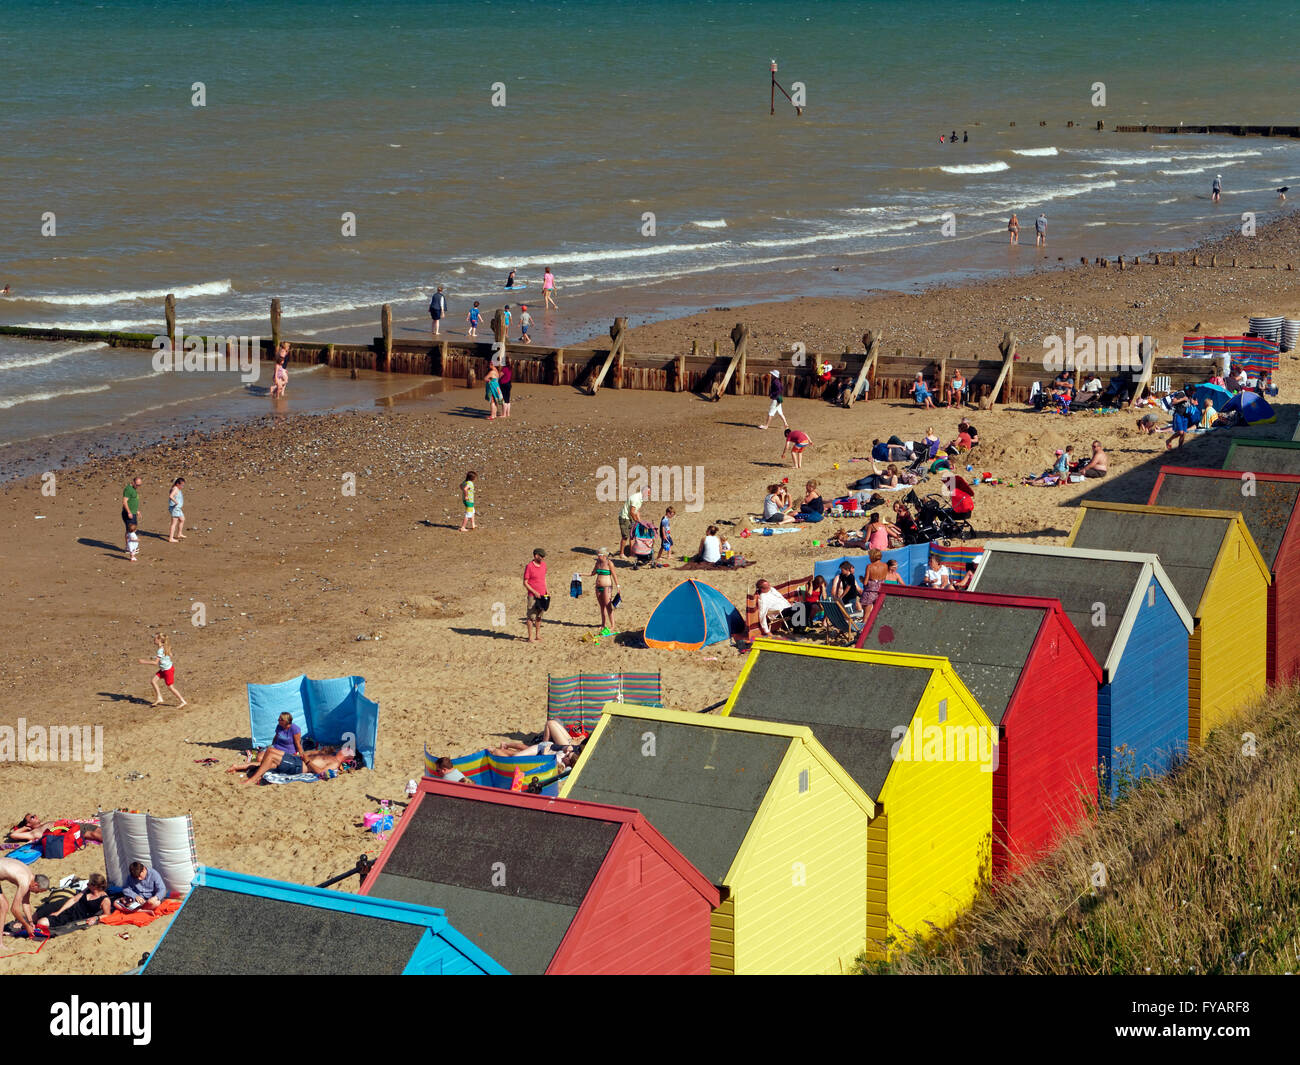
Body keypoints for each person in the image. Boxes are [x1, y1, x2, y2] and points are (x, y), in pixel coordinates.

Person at [34, 873, 111, 931]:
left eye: (89, 883)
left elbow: (107, 914)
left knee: (41, 922)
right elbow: (74, 899)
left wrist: (96, 917)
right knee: (38, 914)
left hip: (75, 917)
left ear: (95, 886)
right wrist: (58, 912)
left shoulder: (104, 900)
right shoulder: (87, 890)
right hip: (70, 908)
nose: (87, 885)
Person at [0, 858, 50, 938]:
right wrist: (26, 925)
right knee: (4, 906)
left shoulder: (29, 875)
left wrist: (30, 922)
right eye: (38, 891)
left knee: (4, 905)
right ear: (36, 885)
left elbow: (26, 903)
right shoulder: (25, 882)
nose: (36, 893)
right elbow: (14, 909)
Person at [139, 632, 186, 707]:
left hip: (167, 670)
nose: (154, 639)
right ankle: (159, 698)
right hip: (165, 669)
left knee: (170, 687)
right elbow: (171, 655)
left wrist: (144, 661)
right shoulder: (165, 647)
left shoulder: (160, 650)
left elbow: (155, 663)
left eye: (155, 638)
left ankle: (183, 701)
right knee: (153, 681)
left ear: (159, 640)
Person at [6, 815, 101, 845]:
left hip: (71, 825)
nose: (35, 816)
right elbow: (13, 835)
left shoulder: (42, 824)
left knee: (98, 830)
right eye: (32, 817)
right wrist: (25, 828)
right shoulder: (32, 833)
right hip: (66, 831)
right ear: (28, 824)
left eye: (34, 815)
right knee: (93, 834)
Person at [591, 548, 620, 633]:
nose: (598, 556)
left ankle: (612, 625)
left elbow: (614, 575)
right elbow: (592, 573)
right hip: (598, 586)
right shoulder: (598, 563)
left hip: (607, 587)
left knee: (608, 606)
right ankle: (603, 624)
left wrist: (618, 586)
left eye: (599, 555)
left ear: (604, 555)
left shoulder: (609, 563)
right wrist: (581, 574)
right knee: (602, 606)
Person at [523, 547, 548, 643]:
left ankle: (537, 635)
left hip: (542, 595)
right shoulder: (529, 566)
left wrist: (547, 590)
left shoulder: (544, 565)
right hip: (532, 596)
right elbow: (525, 583)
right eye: (541, 556)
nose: (543, 558)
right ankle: (530, 637)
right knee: (531, 616)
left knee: (539, 615)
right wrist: (534, 592)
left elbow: (544, 578)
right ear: (536, 556)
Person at [618, 489, 643, 558]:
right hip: (624, 517)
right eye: (649, 493)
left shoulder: (640, 499)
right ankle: (621, 553)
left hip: (629, 518)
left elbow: (637, 511)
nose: (649, 495)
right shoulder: (636, 498)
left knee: (632, 536)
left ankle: (632, 553)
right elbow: (632, 512)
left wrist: (640, 521)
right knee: (625, 536)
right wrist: (636, 520)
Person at [122, 475, 143, 553]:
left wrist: (137, 511)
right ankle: (128, 548)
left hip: (133, 512)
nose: (138, 486)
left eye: (139, 485)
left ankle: (132, 547)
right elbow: (124, 502)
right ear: (133, 482)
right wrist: (129, 512)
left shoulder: (134, 489)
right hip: (128, 513)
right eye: (137, 484)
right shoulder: (128, 489)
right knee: (130, 530)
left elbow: (133, 501)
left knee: (132, 529)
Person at [167, 477, 186, 542]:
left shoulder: (176, 488)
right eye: (182, 485)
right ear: (177, 484)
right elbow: (171, 496)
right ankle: (171, 538)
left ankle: (179, 534)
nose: (182, 487)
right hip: (175, 508)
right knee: (174, 523)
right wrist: (176, 502)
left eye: (183, 485)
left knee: (182, 519)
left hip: (178, 508)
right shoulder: (175, 489)